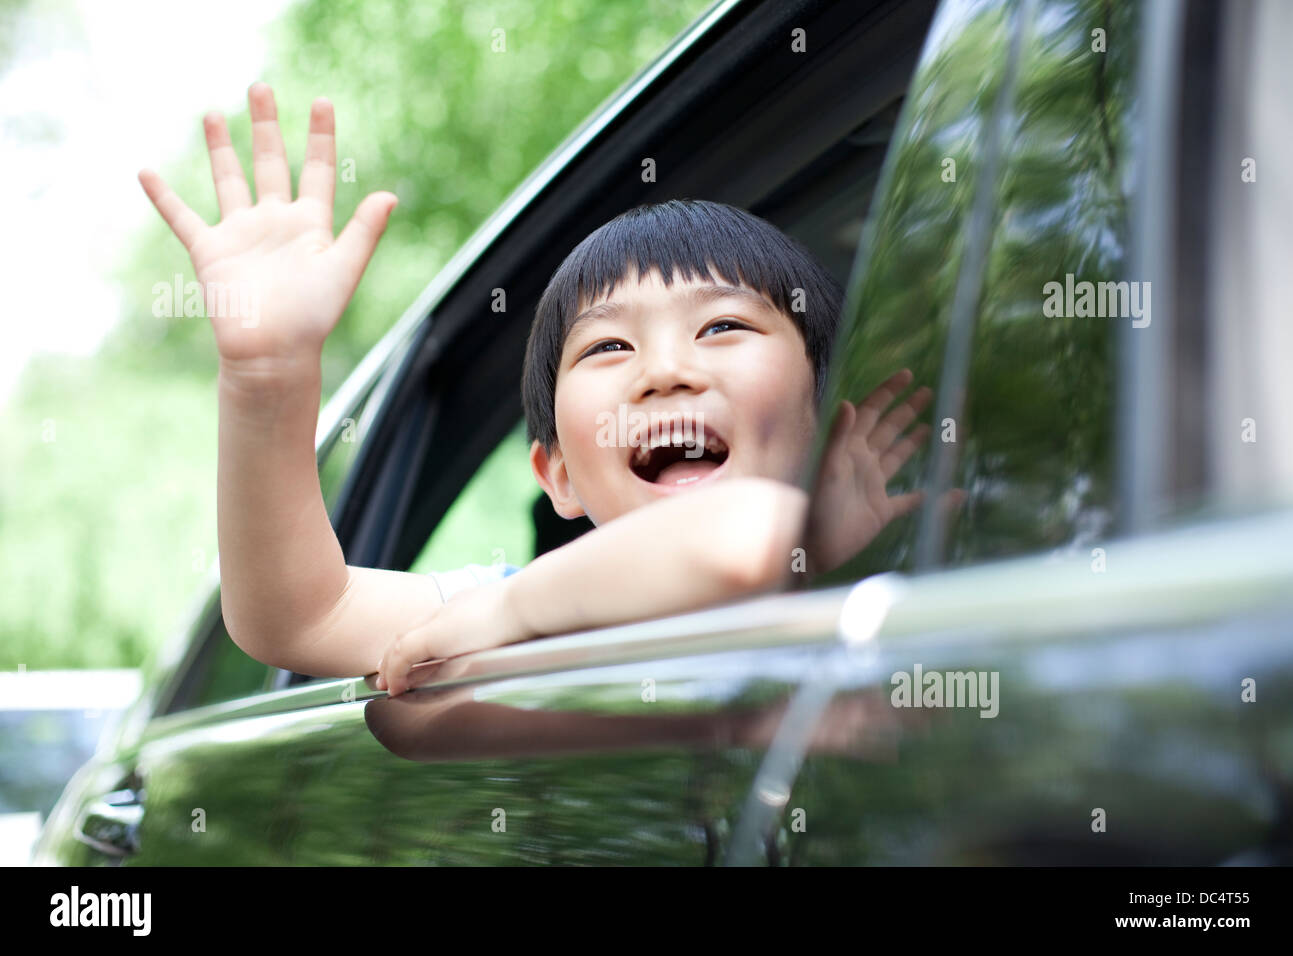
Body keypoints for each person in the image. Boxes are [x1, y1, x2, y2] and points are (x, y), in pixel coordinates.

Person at [138, 83, 935, 697]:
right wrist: (267, 381)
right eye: (611, 345)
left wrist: (507, 619)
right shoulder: (508, 601)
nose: (666, 371)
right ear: (556, 475)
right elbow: (301, 614)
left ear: (832, 416)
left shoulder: (900, 581)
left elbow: (744, 538)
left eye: (723, 328)